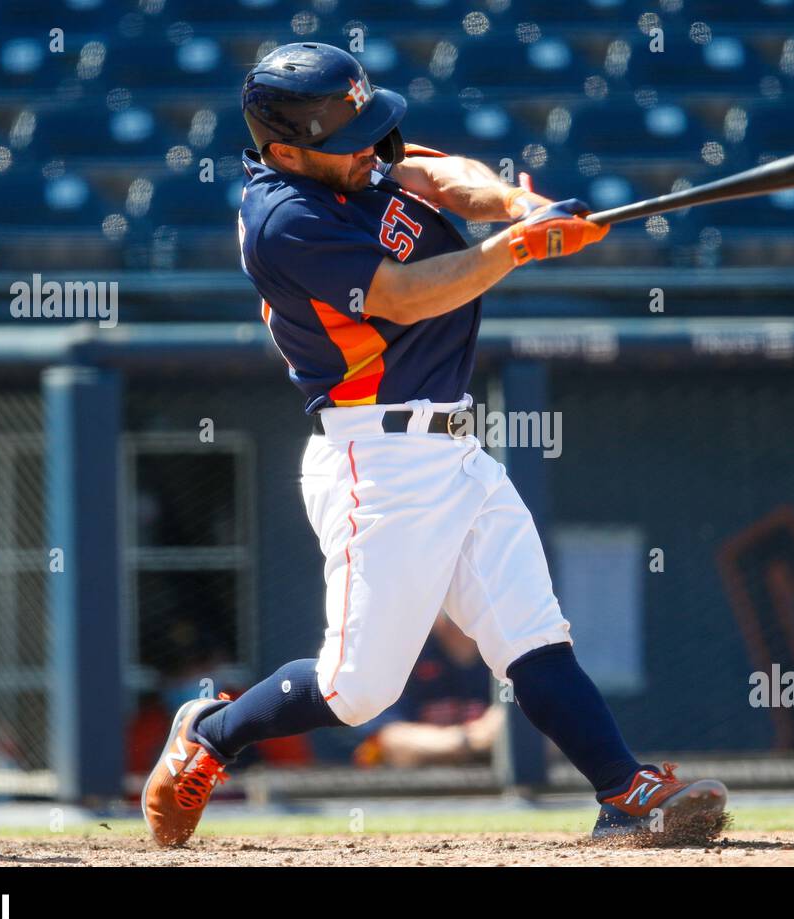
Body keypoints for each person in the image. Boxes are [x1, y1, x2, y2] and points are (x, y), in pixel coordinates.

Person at [141, 42, 726, 846]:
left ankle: (624, 793)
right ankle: (212, 732)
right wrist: (517, 249)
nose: (367, 149)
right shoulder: (283, 218)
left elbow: (440, 174)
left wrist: (519, 209)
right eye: (343, 137)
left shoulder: (351, 156)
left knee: (533, 634)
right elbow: (408, 297)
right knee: (356, 692)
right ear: (284, 148)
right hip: (374, 461)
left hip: (454, 446)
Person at [352, 613, 503, 769]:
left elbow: (512, 729)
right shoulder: (400, 652)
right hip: (413, 785)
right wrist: (469, 740)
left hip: (499, 781)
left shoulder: (511, 651)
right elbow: (387, 739)